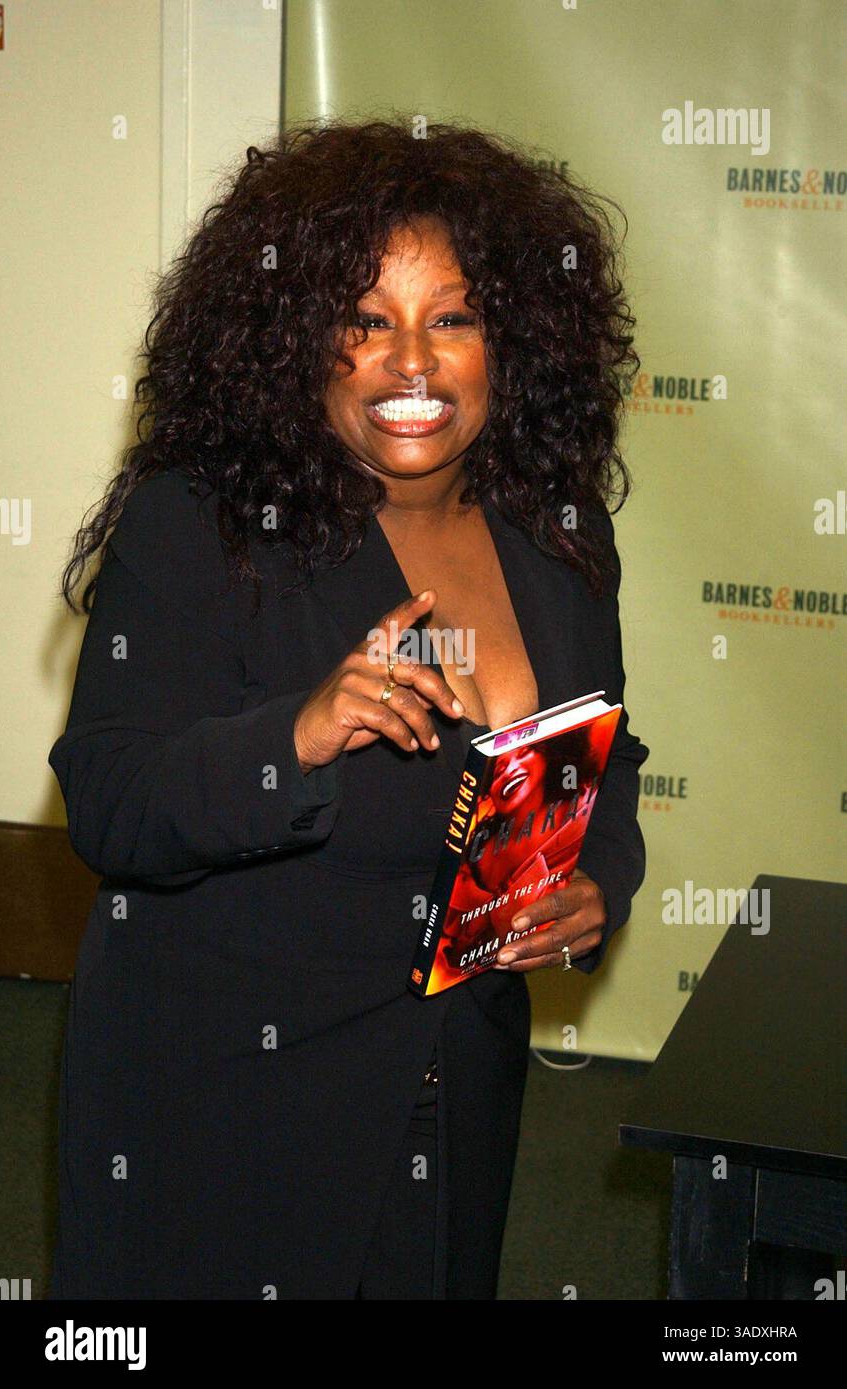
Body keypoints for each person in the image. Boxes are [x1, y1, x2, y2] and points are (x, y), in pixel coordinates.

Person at [48, 119, 649, 1300]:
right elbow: (111, 803)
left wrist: (596, 891)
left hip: (460, 1093)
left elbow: (604, 757)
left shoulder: (560, 531)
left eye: (453, 318)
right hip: (229, 1112)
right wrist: (298, 735)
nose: (409, 363)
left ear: (513, 340)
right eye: (363, 320)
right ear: (293, 341)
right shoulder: (199, 522)